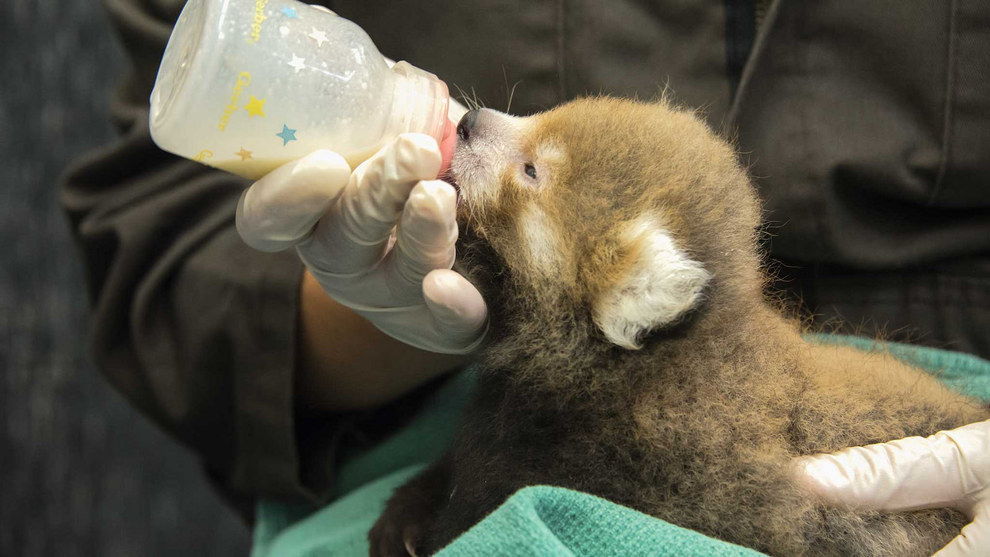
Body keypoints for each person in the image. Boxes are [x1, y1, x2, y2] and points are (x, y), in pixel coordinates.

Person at [61, 0, 990, 552]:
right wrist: (372, 316)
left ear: (627, 296)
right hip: (369, 436)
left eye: (532, 167)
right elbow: (154, 244)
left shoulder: (674, 420)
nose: (481, 125)